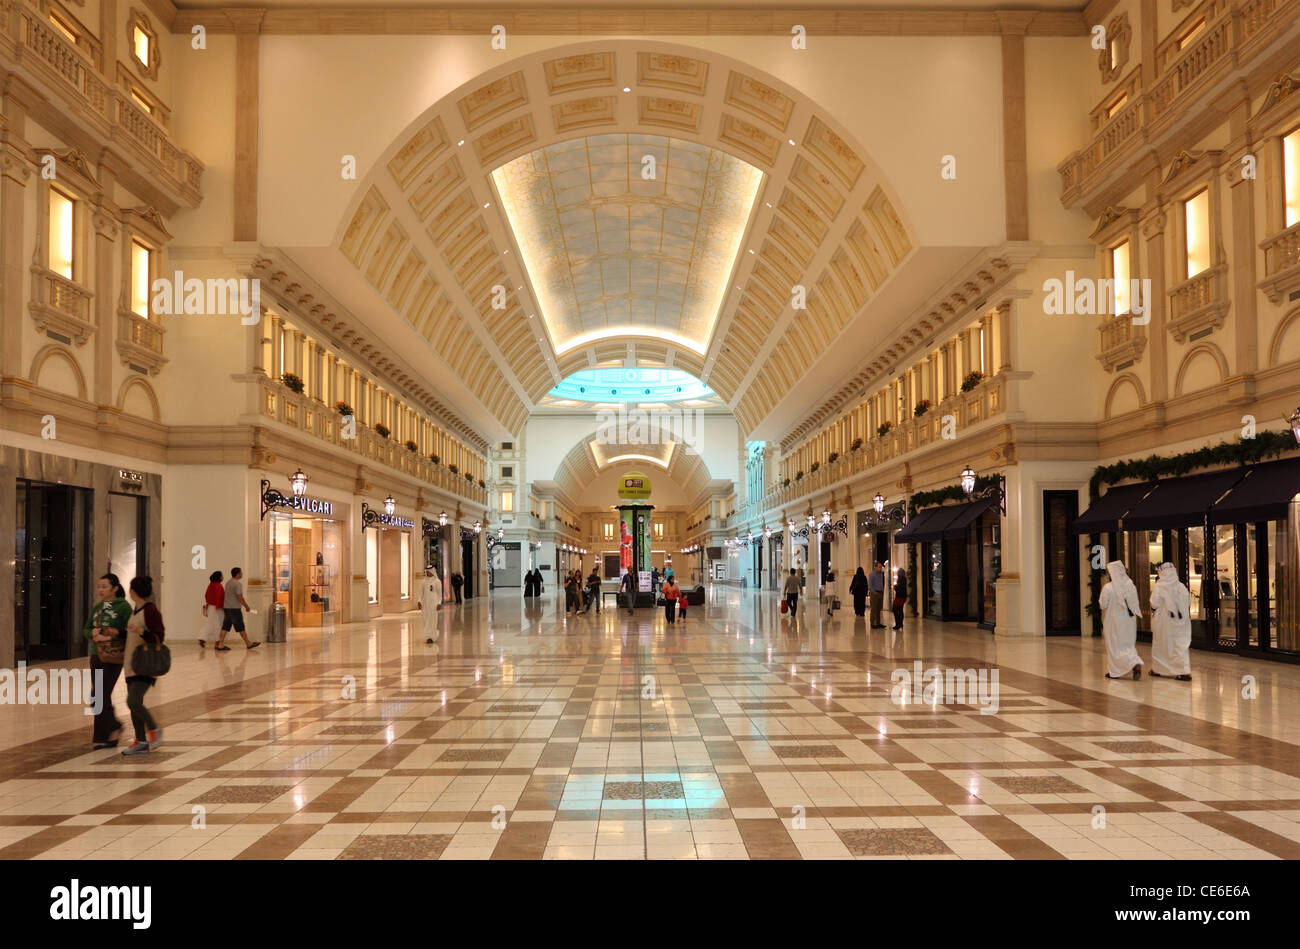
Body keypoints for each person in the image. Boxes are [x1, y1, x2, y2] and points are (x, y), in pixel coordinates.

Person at [84, 573, 131, 750]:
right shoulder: (98, 607)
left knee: (99, 695)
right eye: (99, 586)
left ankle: (114, 727)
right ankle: (104, 736)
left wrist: (113, 633)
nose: (100, 590)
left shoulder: (124, 607)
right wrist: (93, 634)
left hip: (114, 656)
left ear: (115, 588)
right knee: (99, 695)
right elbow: (86, 628)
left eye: (104, 586)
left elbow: (128, 631)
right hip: (97, 655)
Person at [121, 576, 165, 756]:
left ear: (132, 592)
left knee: (132, 701)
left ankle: (154, 729)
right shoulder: (136, 610)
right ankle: (140, 741)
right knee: (134, 703)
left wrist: (142, 632)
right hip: (131, 663)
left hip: (145, 664)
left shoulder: (151, 610)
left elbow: (158, 637)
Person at [1099, 560, 1143, 680]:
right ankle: (1134, 661)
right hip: (1129, 622)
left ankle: (1116, 671)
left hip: (1114, 621)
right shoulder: (1131, 585)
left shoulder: (1108, 587)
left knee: (1115, 645)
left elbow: (1103, 604)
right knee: (1128, 644)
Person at [1149, 563, 1192, 680]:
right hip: (1181, 621)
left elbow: (1154, 603)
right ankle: (1184, 671)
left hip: (1164, 622)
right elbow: (1188, 602)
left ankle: (1158, 669)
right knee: (1179, 645)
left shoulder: (1159, 586)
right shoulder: (1181, 587)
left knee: (1161, 644)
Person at [216, 567, 260, 651]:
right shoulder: (237, 584)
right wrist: (247, 607)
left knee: (225, 626)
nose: (242, 574)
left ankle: (220, 644)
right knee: (240, 626)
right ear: (237, 574)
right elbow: (240, 597)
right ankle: (248, 643)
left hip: (227, 608)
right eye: (241, 572)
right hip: (234, 609)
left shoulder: (228, 583)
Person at [197, 570, 223, 648]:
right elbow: (220, 597)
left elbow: (206, 595)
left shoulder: (211, 585)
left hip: (210, 607)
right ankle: (217, 642)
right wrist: (219, 607)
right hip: (217, 608)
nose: (223, 577)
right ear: (219, 577)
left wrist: (208, 604)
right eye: (222, 575)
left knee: (210, 624)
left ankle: (202, 637)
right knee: (218, 625)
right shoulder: (219, 585)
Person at [417, 566, 442, 644]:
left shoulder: (437, 581)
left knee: (433, 620)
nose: (427, 573)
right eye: (426, 571)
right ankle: (427, 636)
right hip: (425, 604)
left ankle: (431, 637)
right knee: (426, 619)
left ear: (432, 571)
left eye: (428, 571)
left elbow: (439, 594)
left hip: (434, 604)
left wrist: (439, 603)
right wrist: (419, 601)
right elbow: (421, 592)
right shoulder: (424, 581)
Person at [868, 562, 886, 628]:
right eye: (879, 567)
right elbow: (870, 585)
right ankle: (872, 623)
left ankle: (878, 623)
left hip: (880, 593)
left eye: (881, 567)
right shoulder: (872, 575)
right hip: (874, 593)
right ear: (875, 567)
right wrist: (874, 592)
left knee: (879, 609)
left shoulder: (881, 574)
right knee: (874, 609)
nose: (880, 568)